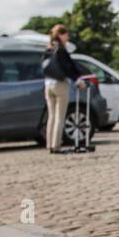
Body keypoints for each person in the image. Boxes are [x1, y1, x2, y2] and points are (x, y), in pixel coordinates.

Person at [42, 24, 82, 154]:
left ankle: (50, 144)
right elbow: (68, 67)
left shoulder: (49, 48)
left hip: (48, 84)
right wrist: (78, 79)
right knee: (60, 116)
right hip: (59, 84)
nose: (67, 36)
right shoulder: (61, 49)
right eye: (65, 33)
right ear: (60, 34)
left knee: (51, 116)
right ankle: (57, 145)